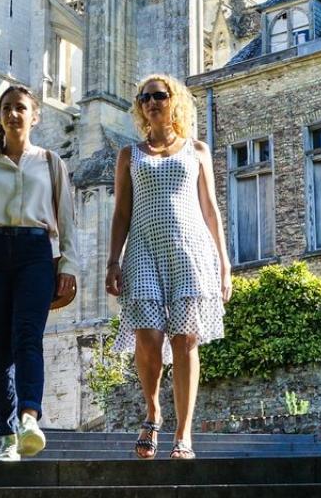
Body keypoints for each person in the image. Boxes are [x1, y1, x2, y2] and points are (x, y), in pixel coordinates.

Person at [104, 74, 231, 461]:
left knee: (186, 340)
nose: (152, 102)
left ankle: (183, 434)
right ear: (140, 107)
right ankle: (153, 410)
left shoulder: (197, 150)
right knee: (148, 336)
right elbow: (122, 211)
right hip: (142, 248)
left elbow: (210, 208)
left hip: (190, 250)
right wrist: (112, 258)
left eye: (159, 96)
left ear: (174, 101)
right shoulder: (130, 154)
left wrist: (224, 264)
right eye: (144, 98)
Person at [0, 83, 78, 461]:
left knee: (28, 338)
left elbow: (68, 220)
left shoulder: (51, 163)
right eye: (6, 107)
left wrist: (68, 263)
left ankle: (29, 419)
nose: (13, 114)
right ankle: (7, 439)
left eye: (21, 107)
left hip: (35, 252)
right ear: (0, 115)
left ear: (34, 116)